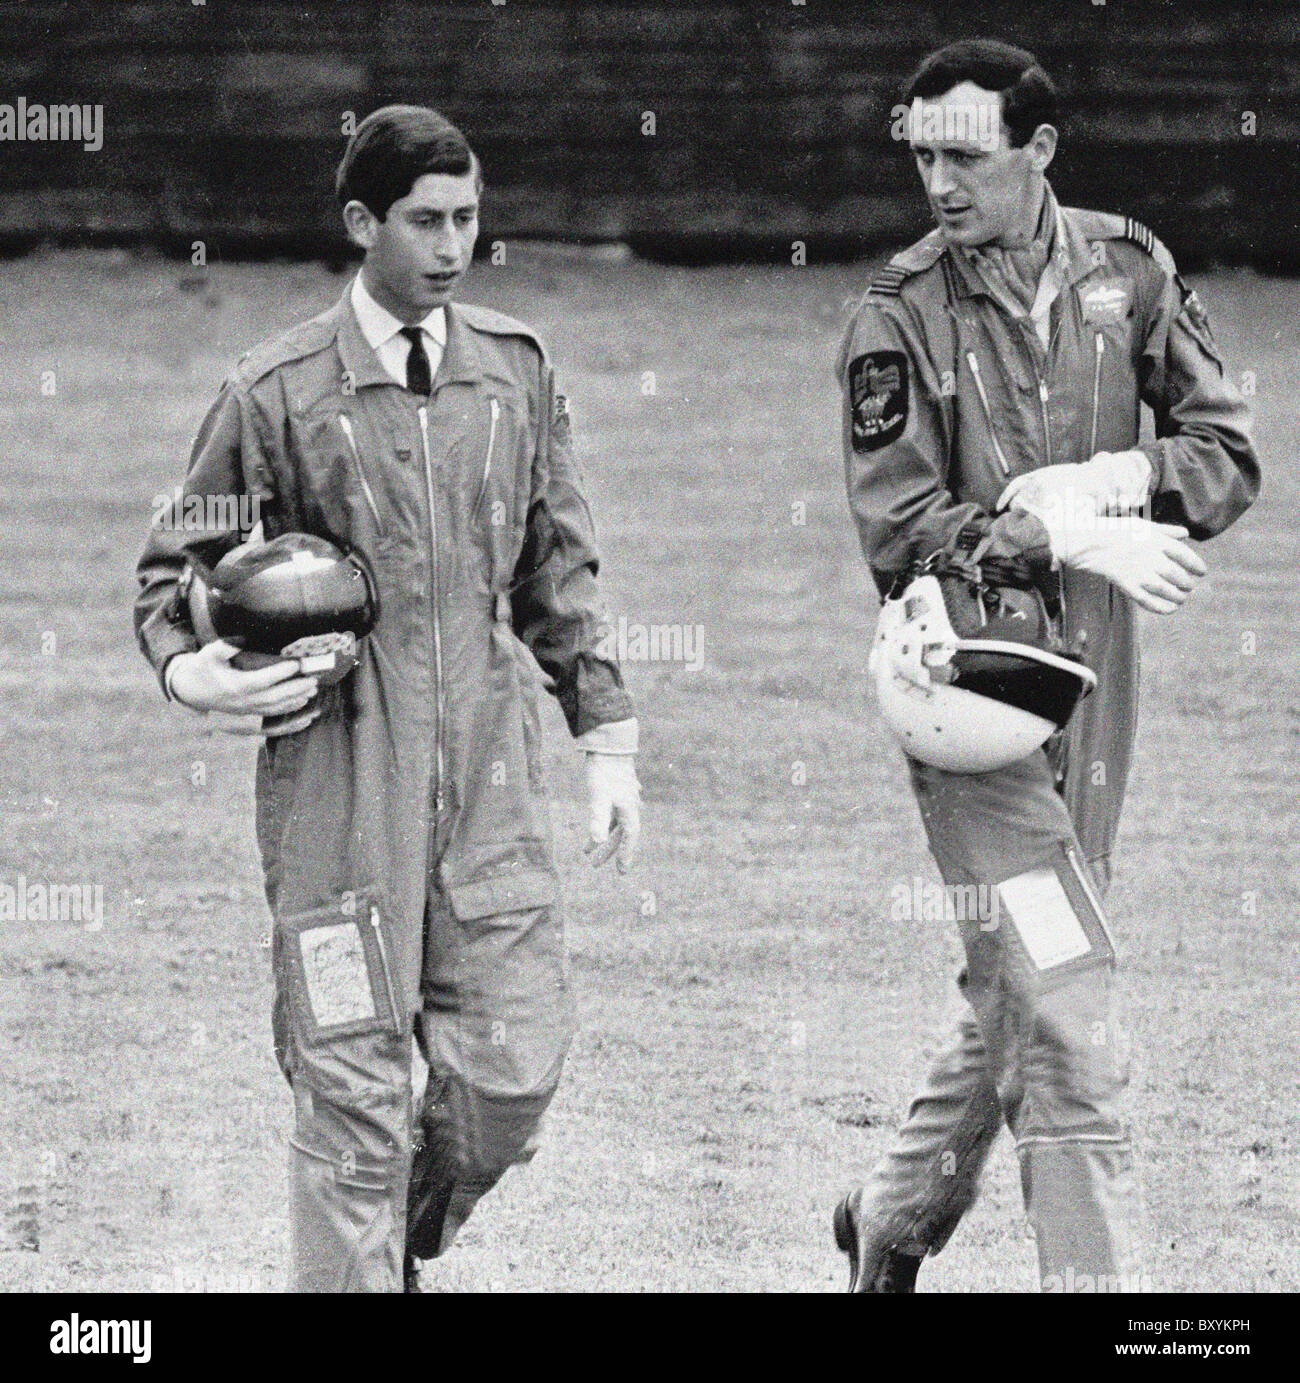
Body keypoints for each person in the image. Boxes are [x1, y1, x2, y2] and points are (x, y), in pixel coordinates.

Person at [134, 105, 642, 1292]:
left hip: (490, 776)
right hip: (337, 777)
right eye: (426, 221)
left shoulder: (515, 372)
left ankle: (397, 1240)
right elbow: (176, 566)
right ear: (364, 223)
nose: (453, 244)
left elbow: (557, 572)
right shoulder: (272, 390)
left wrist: (606, 735)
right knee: (350, 1088)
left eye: (469, 219)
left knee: (510, 1080)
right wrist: (194, 664)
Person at [833, 39, 1258, 1292]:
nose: (938, 182)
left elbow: (1224, 453)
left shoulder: (1131, 266)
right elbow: (897, 529)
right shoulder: (894, 313)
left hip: (1098, 680)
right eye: (921, 155)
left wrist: (1126, 477)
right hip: (964, 694)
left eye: (965, 154)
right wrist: (1058, 531)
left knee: (1033, 961)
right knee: (1067, 1006)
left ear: (1040, 152)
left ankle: (889, 1216)